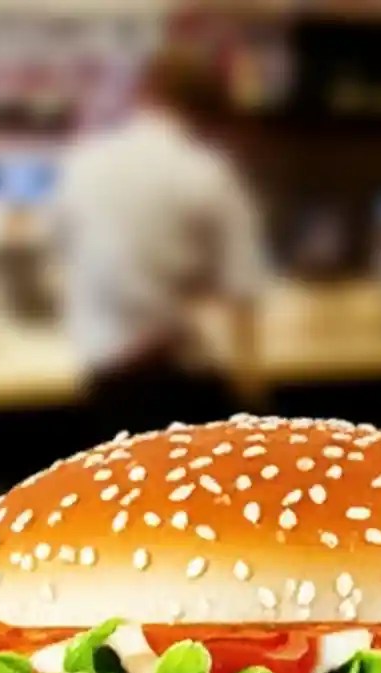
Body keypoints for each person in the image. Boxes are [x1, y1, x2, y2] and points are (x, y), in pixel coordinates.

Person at [50, 49, 267, 440]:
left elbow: (63, 255)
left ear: (142, 95)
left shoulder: (84, 163)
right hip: (174, 373)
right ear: (204, 110)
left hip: (101, 374)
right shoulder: (207, 172)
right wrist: (252, 397)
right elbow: (242, 287)